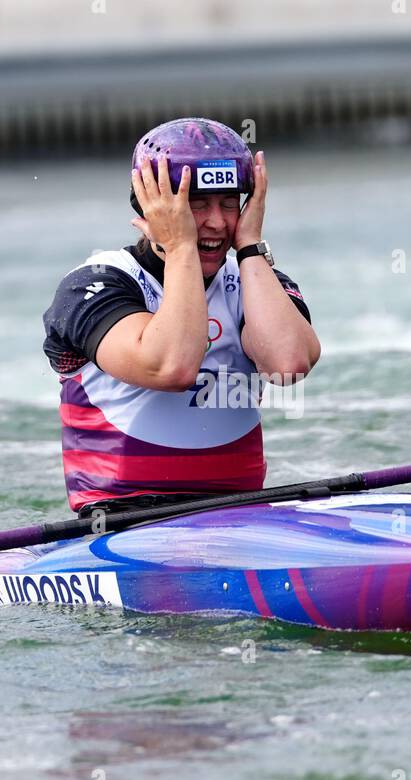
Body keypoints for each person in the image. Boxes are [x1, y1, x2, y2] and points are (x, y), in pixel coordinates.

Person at [42, 117, 321, 516]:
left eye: (229, 203)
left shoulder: (256, 281)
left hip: (240, 516)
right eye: (196, 203)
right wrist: (180, 246)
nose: (217, 222)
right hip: (123, 523)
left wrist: (250, 247)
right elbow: (171, 368)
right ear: (152, 206)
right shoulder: (95, 284)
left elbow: (288, 366)